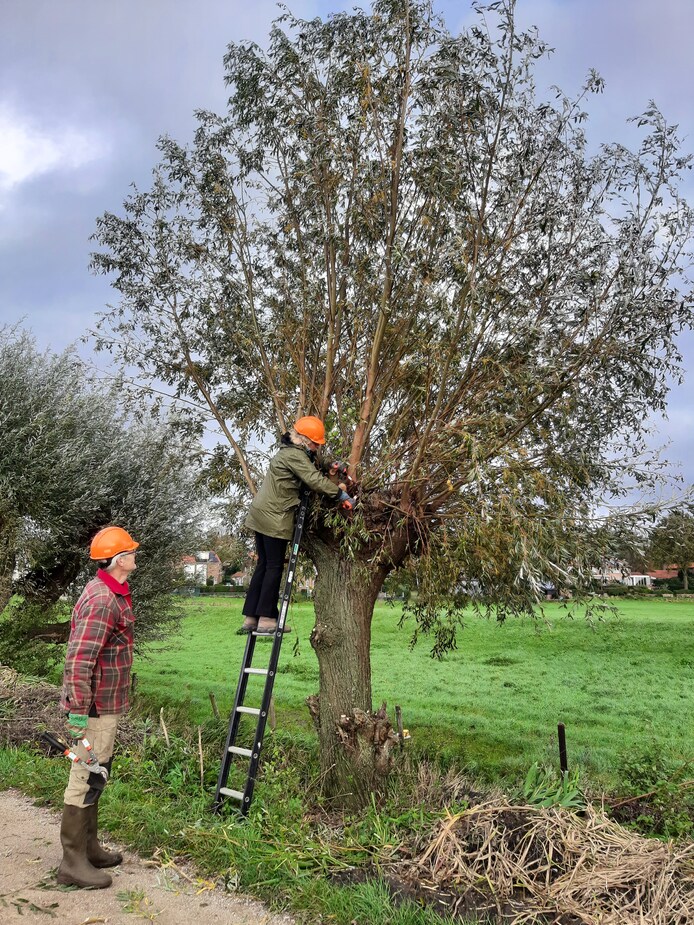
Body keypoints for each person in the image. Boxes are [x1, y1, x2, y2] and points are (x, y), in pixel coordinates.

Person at [57, 525, 139, 889]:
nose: (135, 554)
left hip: (104, 705)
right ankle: (72, 861)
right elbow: (79, 659)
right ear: (119, 559)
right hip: (93, 708)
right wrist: (77, 710)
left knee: (96, 774)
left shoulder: (112, 592)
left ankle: (88, 848)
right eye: (131, 550)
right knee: (85, 775)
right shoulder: (104, 599)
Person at [240, 416, 355, 635]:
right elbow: (313, 479)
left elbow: (310, 462)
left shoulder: (289, 451)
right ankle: (266, 619)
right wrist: (341, 495)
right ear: (304, 440)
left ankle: (251, 618)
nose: (316, 447)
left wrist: (329, 464)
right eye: (315, 444)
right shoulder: (295, 456)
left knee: (264, 564)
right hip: (275, 517)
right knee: (274, 566)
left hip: (260, 514)